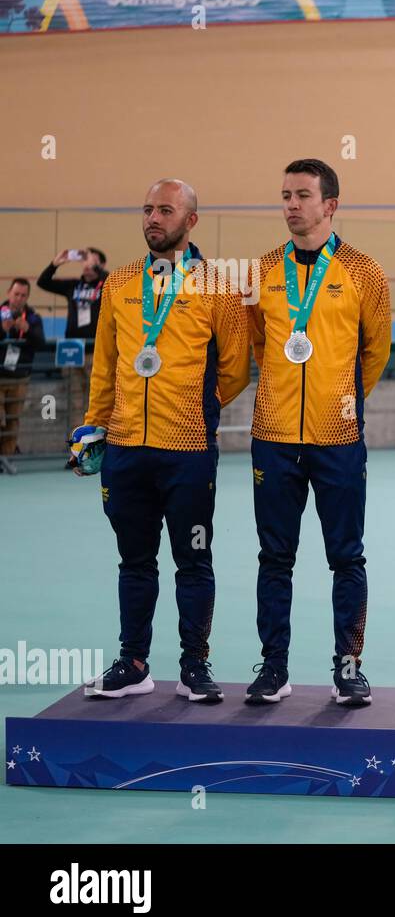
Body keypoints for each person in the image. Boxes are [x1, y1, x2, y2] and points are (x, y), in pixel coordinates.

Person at [74, 179, 250, 701]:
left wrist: (197, 408)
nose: (154, 217)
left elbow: (237, 367)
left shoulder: (217, 286)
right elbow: (104, 365)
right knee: (134, 560)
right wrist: (92, 425)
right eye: (148, 209)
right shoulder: (120, 284)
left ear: (191, 220)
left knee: (193, 559)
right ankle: (133, 662)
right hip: (126, 450)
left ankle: (195, 665)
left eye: (166, 210)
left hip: (189, 452)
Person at [245, 159, 392, 707]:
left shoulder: (364, 271)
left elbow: (374, 351)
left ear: (330, 204)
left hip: (338, 438)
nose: (290, 205)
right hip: (275, 437)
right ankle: (274, 667)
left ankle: (348, 667)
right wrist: (283, 393)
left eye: (302, 195)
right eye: (284, 195)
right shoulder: (261, 272)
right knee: (273, 557)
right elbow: (258, 345)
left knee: (347, 557)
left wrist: (341, 403)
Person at [39, 248, 109, 465]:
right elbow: (43, 282)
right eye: (85, 261)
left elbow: (113, 279)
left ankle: (98, 451)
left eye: (92, 262)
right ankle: (77, 453)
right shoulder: (73, 286)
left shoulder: (106, 285)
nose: (86, 265)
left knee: (97, 404)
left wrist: (96, 266)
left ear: (100, 265)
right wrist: (56, 263)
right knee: (75, 403)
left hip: (96, 352)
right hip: (73, 352)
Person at [0, 278, 45, 457]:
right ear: (8, 293)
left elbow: (40, 342)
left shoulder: (33, 317)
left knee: (13, 420)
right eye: (16, 294)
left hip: (20, 378)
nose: (19, 298)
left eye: (23, 295)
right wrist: (2, 330)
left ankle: (7, 458)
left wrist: (27, 330)